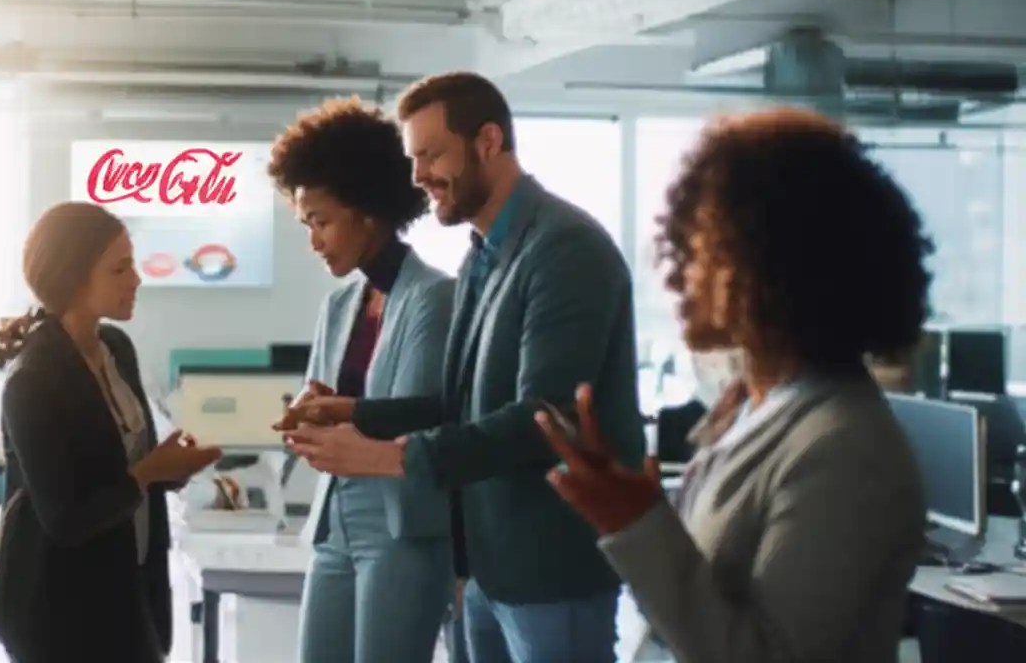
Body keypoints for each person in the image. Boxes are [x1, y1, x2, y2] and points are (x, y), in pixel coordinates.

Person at [538, 108, 931, 663]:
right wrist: (634, 512)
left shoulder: (843, 448)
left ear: (777, 262)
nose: (677, 275)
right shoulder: (757, 408)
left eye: (702, 250)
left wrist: (635, 525)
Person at [280, 72, 644, 662]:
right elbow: (464, 404)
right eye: (412, 158)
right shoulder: (483, 257)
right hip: (487, 568)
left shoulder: (564, 248)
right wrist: (356, 412)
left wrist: (388, 454)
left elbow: (545, 417)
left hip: (552, 567)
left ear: (488, 142)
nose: (418, 175)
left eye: (430, 155)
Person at [0, 202, 222, 663]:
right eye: (120, 268)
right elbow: (65, 519)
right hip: (61, 613)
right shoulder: (33, 378)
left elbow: (127, 467)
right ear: (74, 277)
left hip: (130, 593)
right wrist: (150, 473)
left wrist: (172, 469)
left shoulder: (116, 347)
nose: (136, 280)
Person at [269, 97, 457, 662]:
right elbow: (328, 403)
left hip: (399, 528)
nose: (314, 240)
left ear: (369, 209)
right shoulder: (339, 304)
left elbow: (419, 414)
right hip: (334, 525)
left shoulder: (433, 296)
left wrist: (343, 411)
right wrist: (308, 413)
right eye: (307, 225)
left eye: (321, 222)